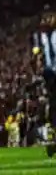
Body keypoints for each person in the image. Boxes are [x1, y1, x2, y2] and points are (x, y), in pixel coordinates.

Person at [34, 10, 56, 157]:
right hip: (50, 74)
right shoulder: (39, 37)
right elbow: (37, 54)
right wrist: (38, 64)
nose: (48, 21)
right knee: (53, 104)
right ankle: (53, 135)